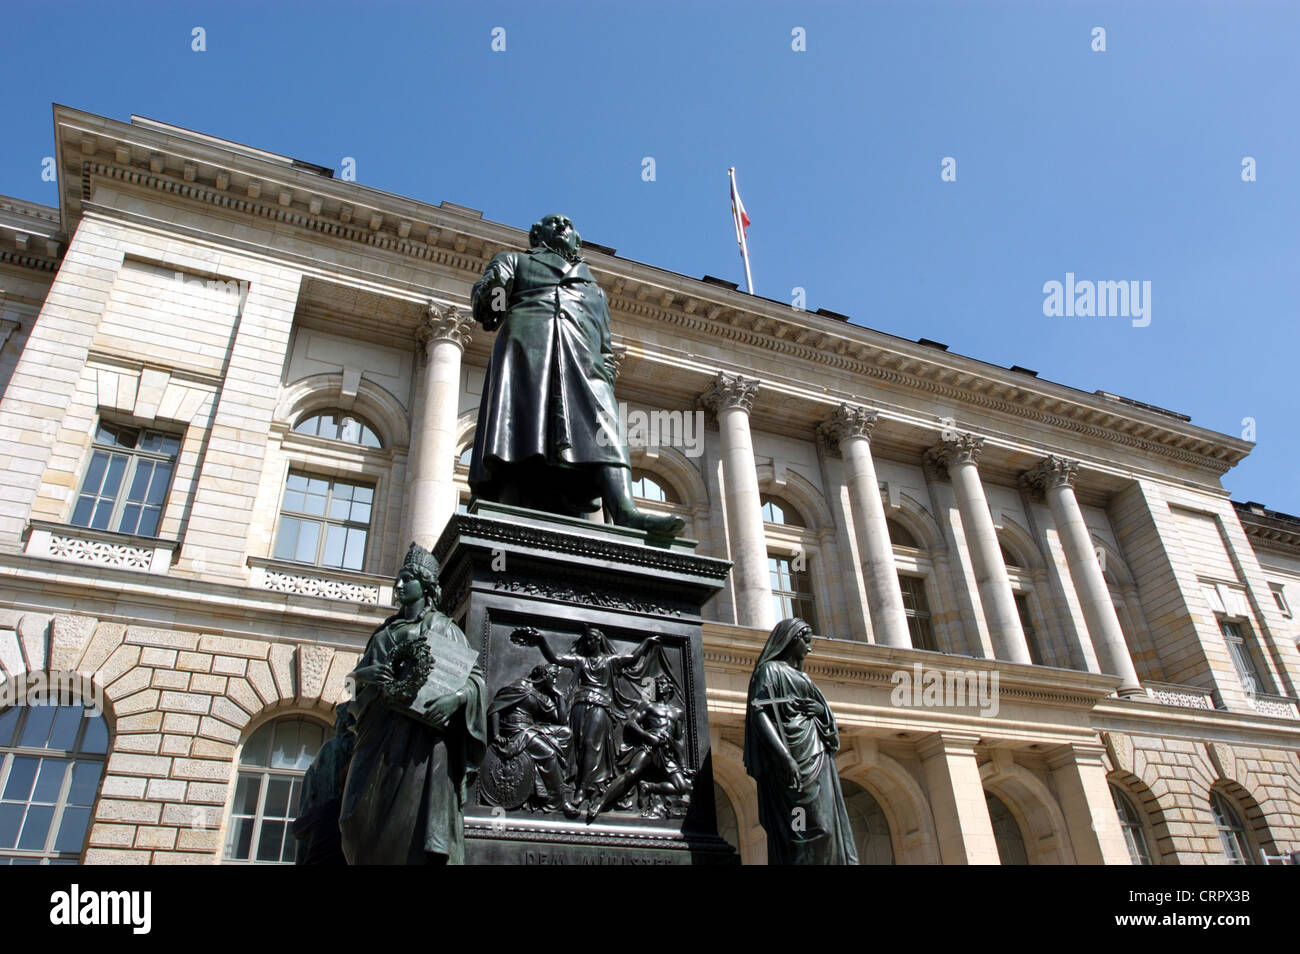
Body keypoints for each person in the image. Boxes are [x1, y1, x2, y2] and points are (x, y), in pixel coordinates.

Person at [468, 213, 684, 536]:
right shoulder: (514, 261)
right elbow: (487, 310)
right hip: (528, 356)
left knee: (606, 426)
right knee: (522, 430)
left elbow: (606, 350)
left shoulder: (595, 291)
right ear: (536, 234)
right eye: (552, 223)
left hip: (583, 367)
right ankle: (510, 503)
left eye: (568, 225)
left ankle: (624, 510)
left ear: (577, 241)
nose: (561, 227)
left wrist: (603, 378)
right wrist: (493, 286)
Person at [337, 543, 486, 864]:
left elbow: (475, 681)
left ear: (427, 586)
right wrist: (364, 675)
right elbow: (349, 690)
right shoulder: (382, 635)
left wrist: (455, 699)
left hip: (424, 750)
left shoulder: (445, 629)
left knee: (411, 834)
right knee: (355, 824)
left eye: (407, 579)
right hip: (379, 744)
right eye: (399, 579)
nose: (399, 585)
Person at [743, 617, 858, 865]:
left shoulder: (804, 678)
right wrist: (784, 757)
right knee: (802, 828)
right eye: (806, 641)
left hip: (816, 755)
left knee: (827, 829)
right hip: (792, 760)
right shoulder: (770, 671)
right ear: (792, 640)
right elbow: (759, 712)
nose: (810, 648)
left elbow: (824, 717)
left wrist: (819, 709)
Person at [511, 625, 661, 811]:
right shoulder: (581, 661)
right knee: (577, 746)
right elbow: (555, 658)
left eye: (593, 639)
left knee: (591, 744)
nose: (590, 642)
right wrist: (541, 639)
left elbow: (631, 658)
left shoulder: (609, 661)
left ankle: (582, 789)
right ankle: (570, 786)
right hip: (579, 706)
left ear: (599, 640)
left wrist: (646, 642)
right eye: (587, 639)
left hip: (599, 707)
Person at [588, 674, 690, 822]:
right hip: (649, 747)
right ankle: (601, 802)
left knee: (681, 787)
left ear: (670, 688)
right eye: (658, 684)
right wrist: (647, 736)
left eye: (663, 684)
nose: (659, 686)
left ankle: (648, 787)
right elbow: (631, 723)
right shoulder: (648, 706)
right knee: (631, 773)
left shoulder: (678, 713)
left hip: (667, 751)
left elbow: (679, 741)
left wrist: (683, 765)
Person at [485, 664, 572, 812]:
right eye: (554, 676)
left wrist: (558, 696)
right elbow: (495, 709)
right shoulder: (521, 687)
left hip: (531, 728)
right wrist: (495, 735)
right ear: (545, 675)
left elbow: (561, 721)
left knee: (566, 733)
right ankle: (557, 800)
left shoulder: (542, 696)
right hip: (516, 729)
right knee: (549, 754)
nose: (555, 681)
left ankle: (558, 778)